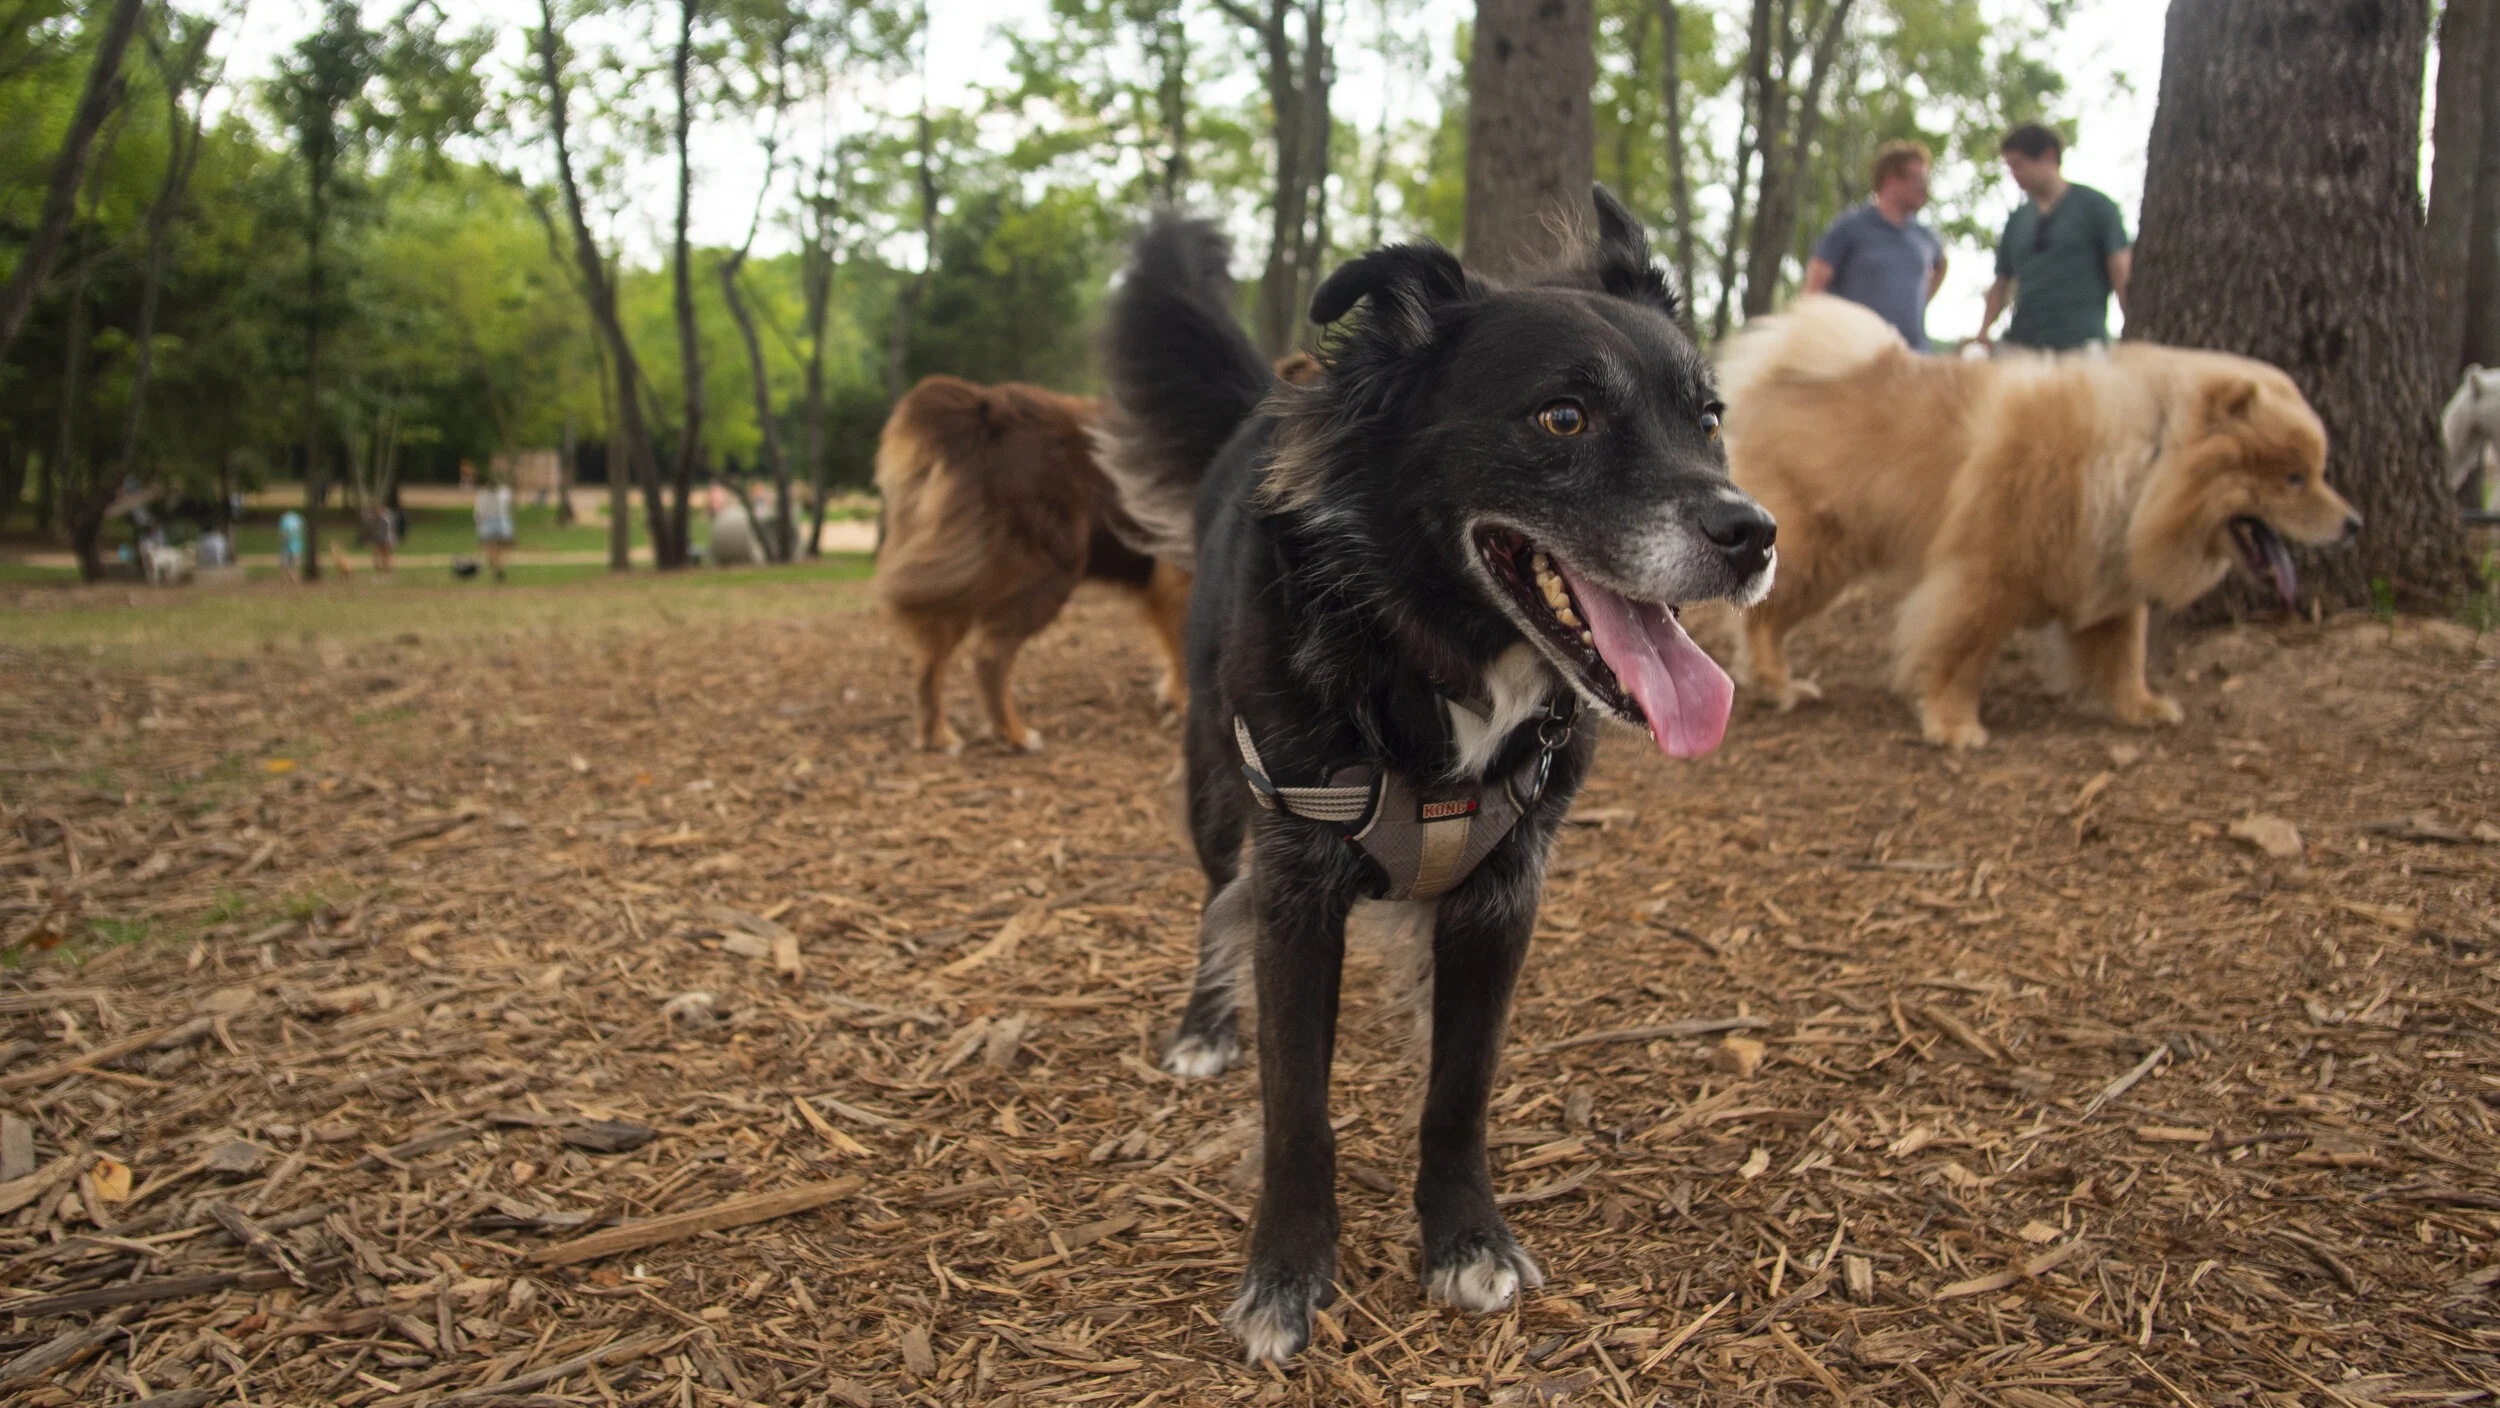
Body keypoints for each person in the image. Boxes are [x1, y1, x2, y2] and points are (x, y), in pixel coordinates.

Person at [1975, 123, 2132, 352]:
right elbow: (2001, 284)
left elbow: (2120, 270)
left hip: (2081, 345)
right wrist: (1983, 331)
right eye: (2010, 167)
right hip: (2023, 346)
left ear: (2049, 156)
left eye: (2019, 165)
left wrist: (2132, 330)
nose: (2015, 175)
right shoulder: (2018, 219)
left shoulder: (2096, 207)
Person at [1802, 139, 1949, 350]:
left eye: (1927, 179)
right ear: (1891, 179)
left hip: (1912, 356)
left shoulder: (1925, 236)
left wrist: (1920, 302)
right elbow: (1814, 285)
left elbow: (1941, 265)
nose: (1925, 187)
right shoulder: (1850, 228)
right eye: (1918, 178)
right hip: (1855, 356)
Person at [474, 476, 515, 582]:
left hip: (489, 522)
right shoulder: (504, 492)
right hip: (502, 522)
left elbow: (479, 512)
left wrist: (478, 524)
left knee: (489, 549)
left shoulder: (482, 495)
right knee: (501, 549)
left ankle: (497, 566)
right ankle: (499, 567)